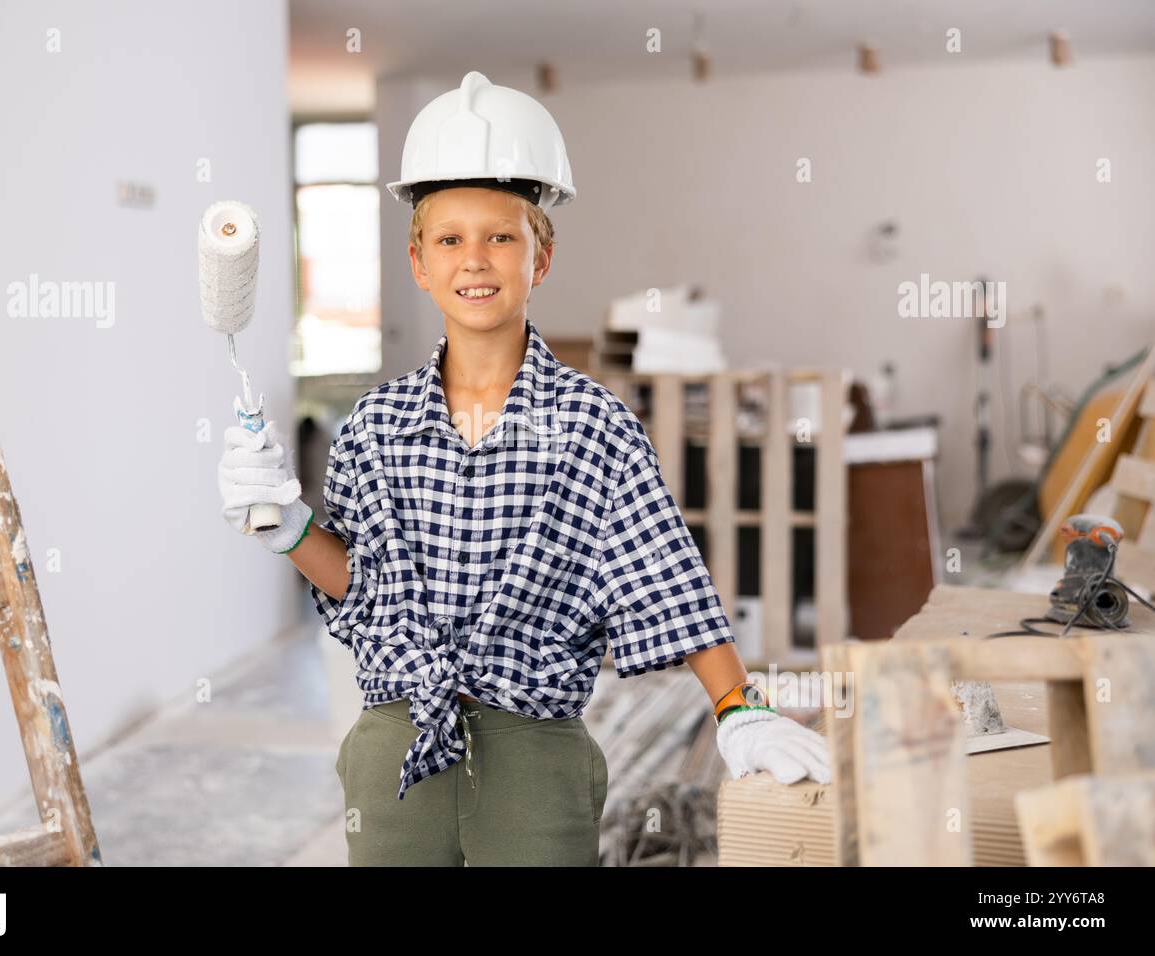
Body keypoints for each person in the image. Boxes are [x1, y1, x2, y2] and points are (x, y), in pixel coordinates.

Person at [217, 71, 829, 866]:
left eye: (501, 236)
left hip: (535, 757)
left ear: (541, 256)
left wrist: (740, 707)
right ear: (418, 262)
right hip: (393, 749)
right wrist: (288, 527)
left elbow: (668, 581)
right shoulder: (375, 426)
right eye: (450, 239)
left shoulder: (593, 425)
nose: (476, 259)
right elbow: (362, 587)